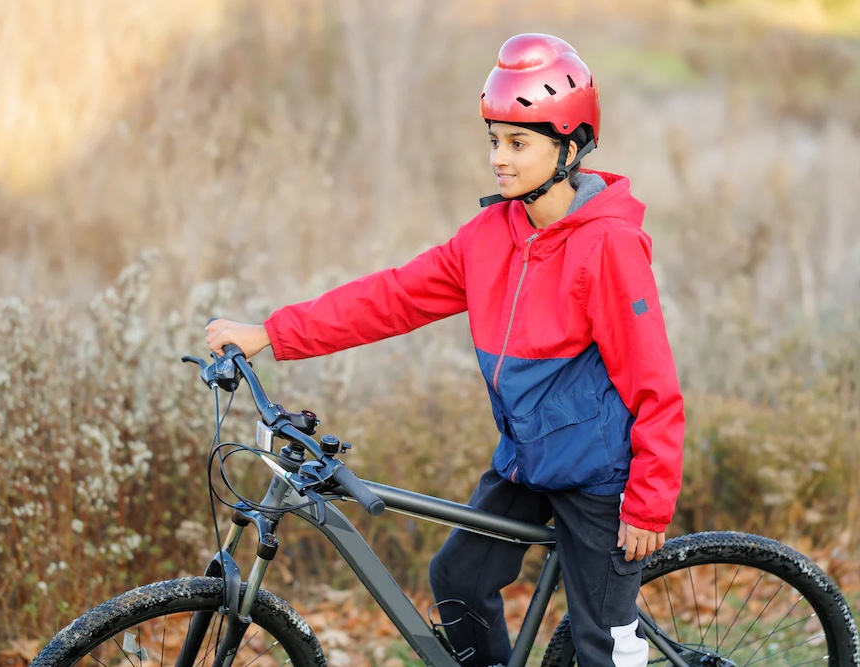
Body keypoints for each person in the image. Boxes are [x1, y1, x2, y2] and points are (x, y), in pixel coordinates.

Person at [206, 33, 684, 667]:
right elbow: (392, 297)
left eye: (519, 143)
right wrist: (272, 332)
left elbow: (654, 382)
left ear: (568, 147)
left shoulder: (608, 247)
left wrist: (649, 502)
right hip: (526, 459)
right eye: (494, 140)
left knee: (603, 647)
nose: (499, 159)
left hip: (598, 475)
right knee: (457, 579)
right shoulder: (491, 237)